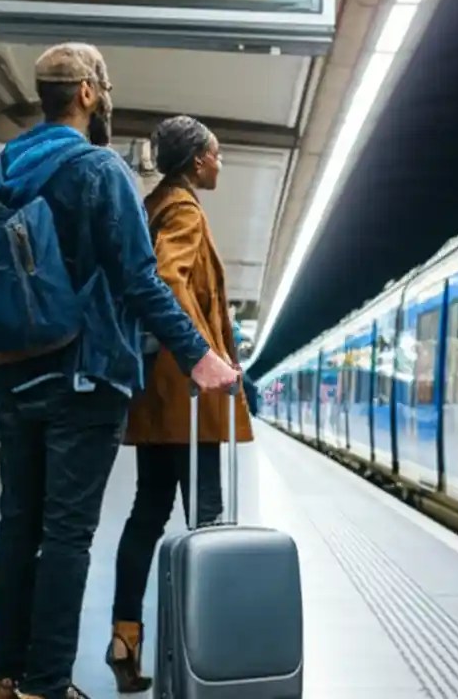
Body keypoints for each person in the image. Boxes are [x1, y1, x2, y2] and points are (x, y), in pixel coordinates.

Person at [0, 45, 240, 699]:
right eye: (106, 86)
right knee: (67, 533)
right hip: (84, 376)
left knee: (18, 526)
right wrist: (198, 354)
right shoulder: (101, 169)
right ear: (89, 94)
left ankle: (5, 677)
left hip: (11, 372)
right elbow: (143, 281)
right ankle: (47, 684)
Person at [107, 116, 254, 692]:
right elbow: (168, 280)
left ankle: (128, 636)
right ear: (196, 161)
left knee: (148, 512)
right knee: (208, 520)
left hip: (159, 394)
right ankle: (207, 651)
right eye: (216, 155)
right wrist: (204, 356)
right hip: (189, 397)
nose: (220, 163)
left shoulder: (155, 205)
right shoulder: (186, 211)